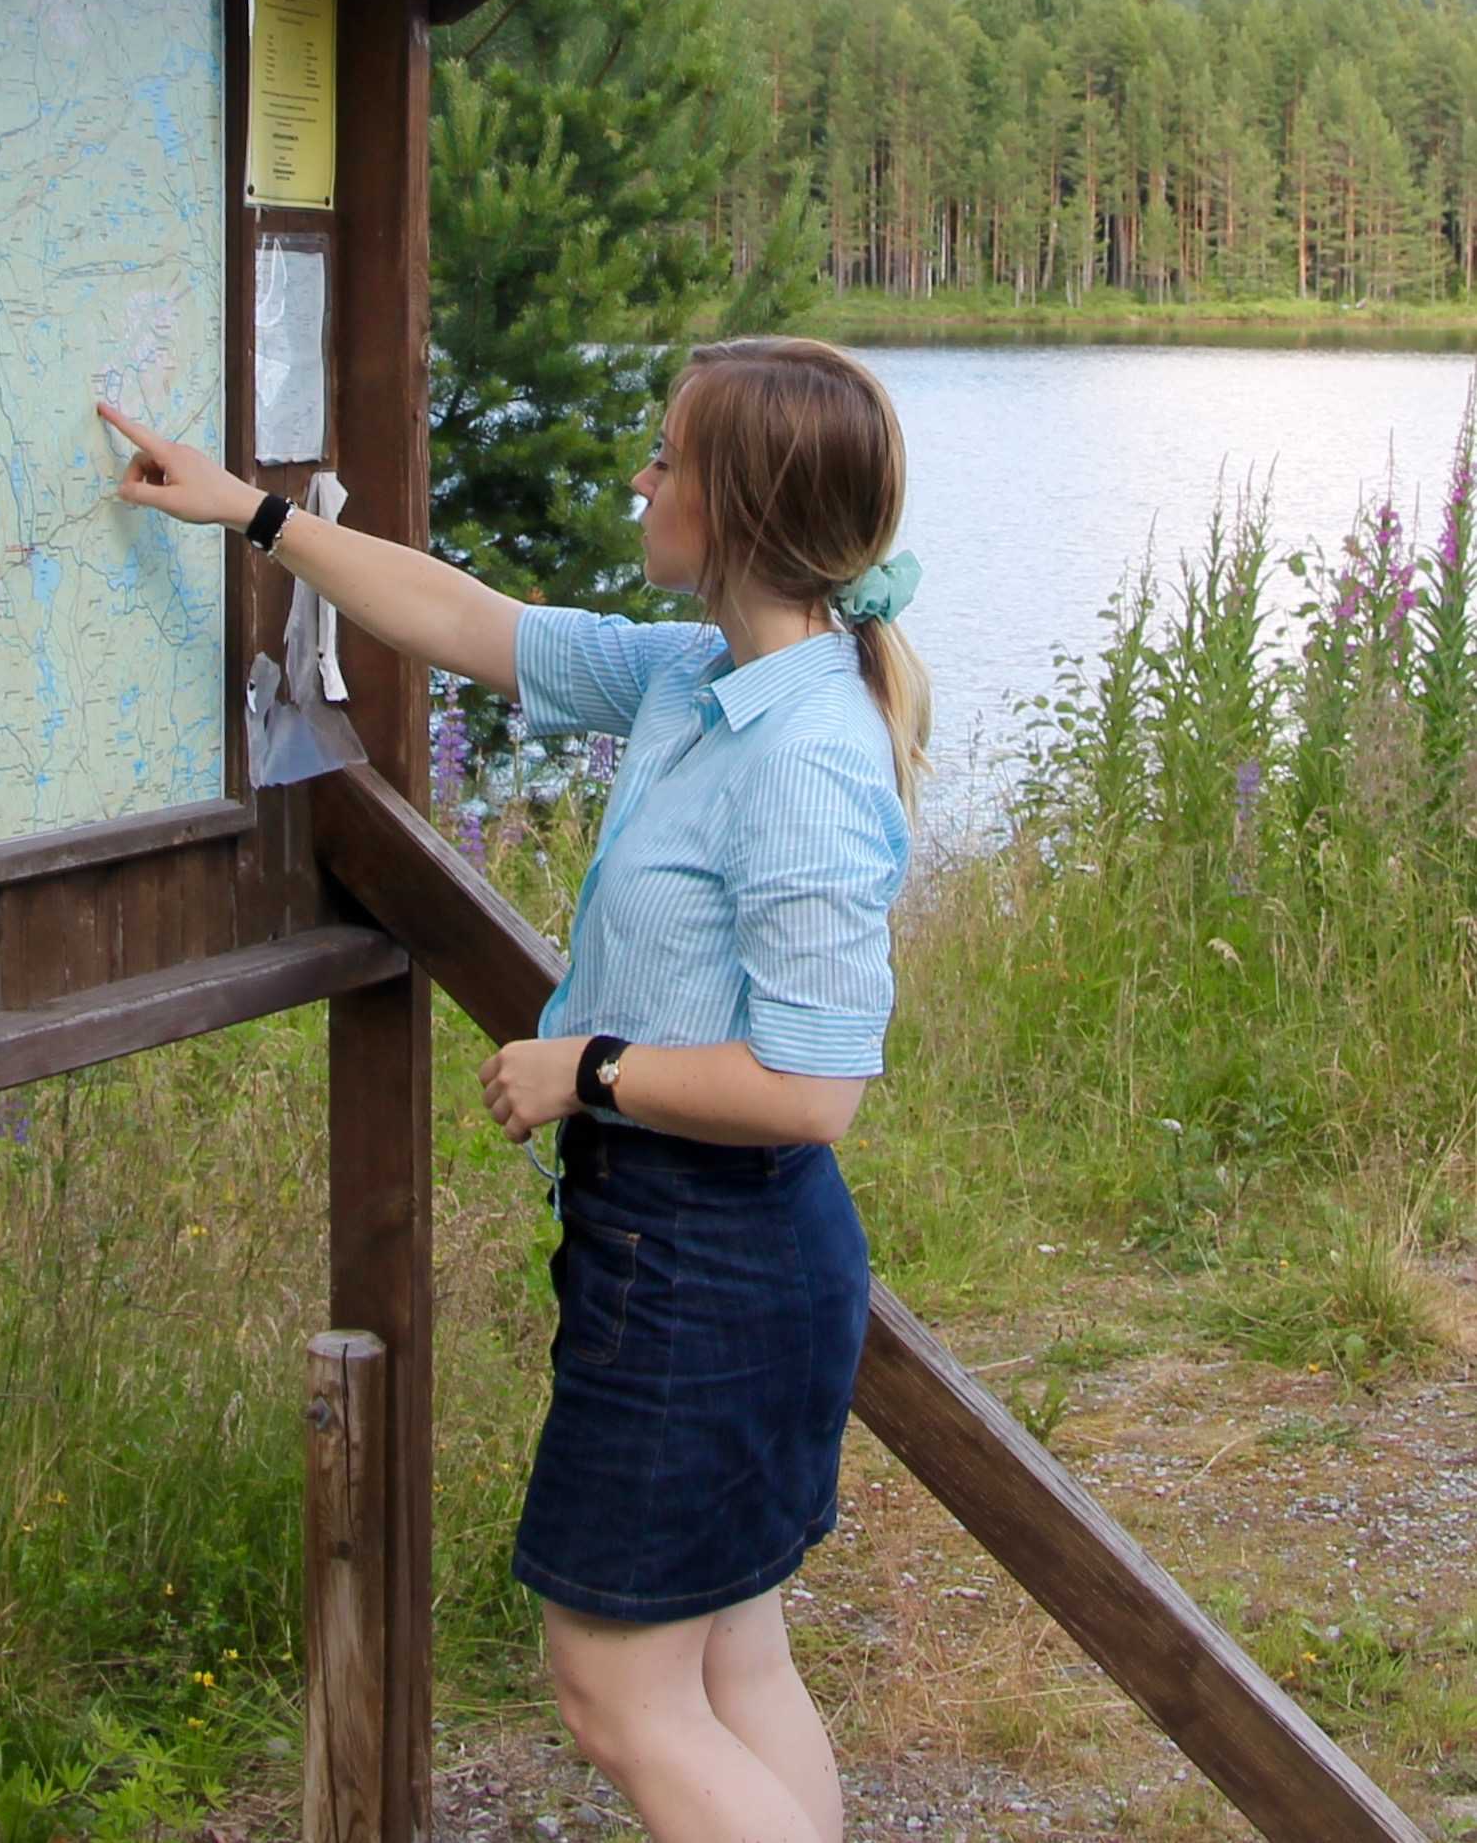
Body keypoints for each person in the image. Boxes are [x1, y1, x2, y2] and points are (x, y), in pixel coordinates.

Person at [98, 335, 928, 1843]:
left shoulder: (803, 751)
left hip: (710, 1265)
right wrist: (254, 515)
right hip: (705, 1257)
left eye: (667, 457)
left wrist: (585, 1070)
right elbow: (470, 620)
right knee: (729, 1659)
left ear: (740, 505)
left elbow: (812, 1091)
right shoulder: (697, 674)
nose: (640, 479)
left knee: (617, 1695)